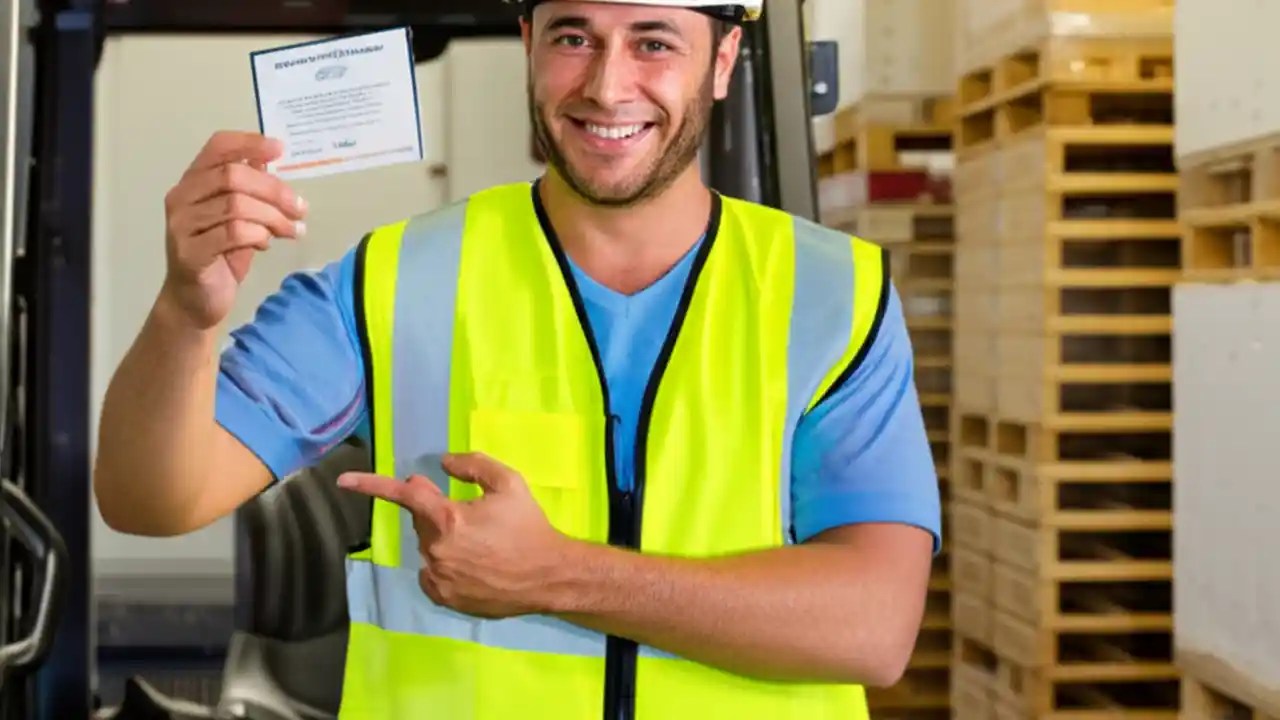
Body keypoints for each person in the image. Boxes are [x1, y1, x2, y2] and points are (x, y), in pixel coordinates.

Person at [92, 0, 943, 717]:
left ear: (721, 60)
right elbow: (150, 498)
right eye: (575, 37)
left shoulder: (833, 295)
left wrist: (559, 576)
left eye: (654, 42)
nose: (609, 85)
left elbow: (873, 628)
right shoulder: (391, 281)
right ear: (530, 47)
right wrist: (185, 314)